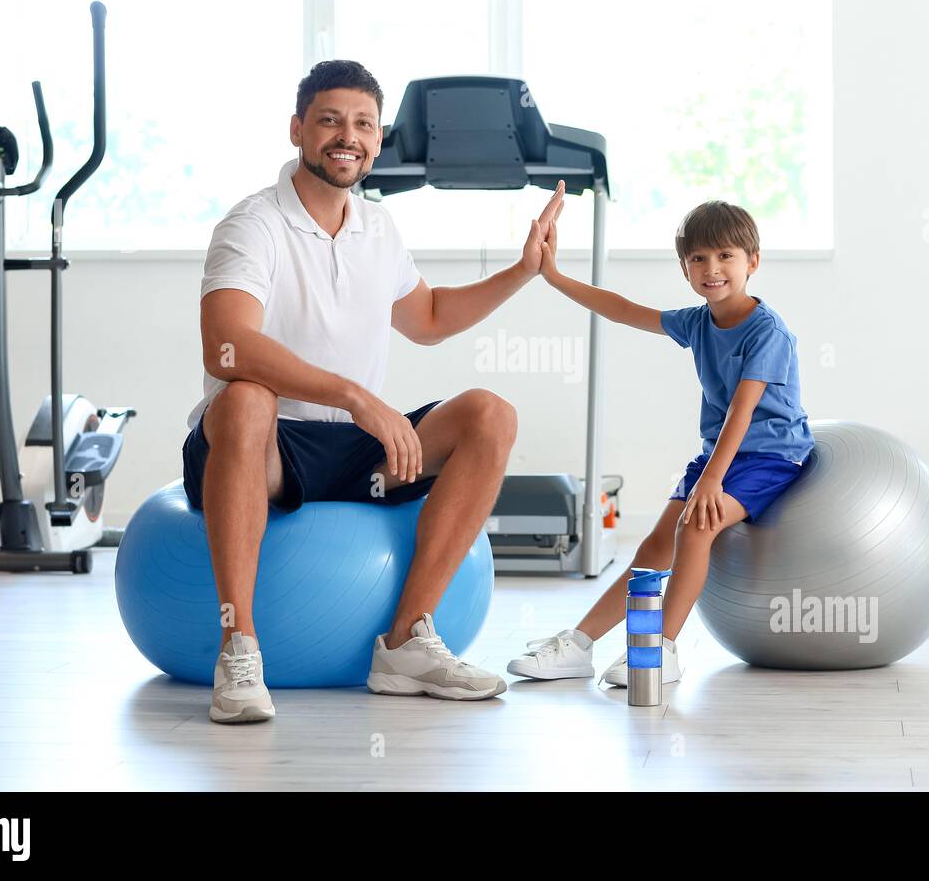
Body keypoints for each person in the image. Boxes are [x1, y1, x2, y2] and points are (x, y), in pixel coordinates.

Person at [185, 59, 565, 722]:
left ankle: (405, 644)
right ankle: (238, 648)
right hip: (263, 449)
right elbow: (227, 344)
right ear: (298, 129)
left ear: (378, 139)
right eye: (330, 120)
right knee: (245, 396)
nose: (347, 136)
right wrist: (355, 397)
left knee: (489, 415)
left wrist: (524, 271)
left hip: (353, 453)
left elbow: (432, 318)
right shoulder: (253, 224)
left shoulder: (377, 228)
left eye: (363, 124)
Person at [507, 200, 814, 685]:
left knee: (694, 530)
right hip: (719, 454)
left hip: (771, 456)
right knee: (653, 544)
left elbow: (743, 408)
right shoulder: (697, 322)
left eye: (725, 256)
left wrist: (711, 480)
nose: (712, 269)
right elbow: (624, 310)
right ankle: (579, 645)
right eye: (698, 259)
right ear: (684, 268)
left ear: (752, 262)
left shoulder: (767, 330)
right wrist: (554, 277)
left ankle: (660, 652)